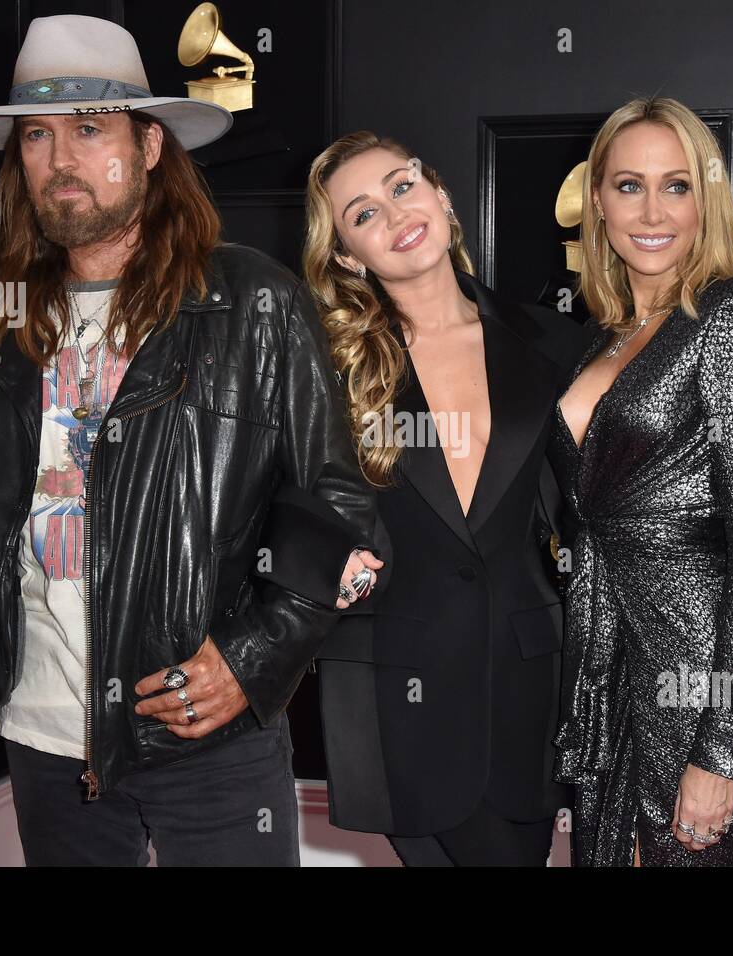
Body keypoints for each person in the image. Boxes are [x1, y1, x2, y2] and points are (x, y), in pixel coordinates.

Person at [0, 14, 378, 866]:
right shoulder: (6, 317)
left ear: (151, 145)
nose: (62, 160)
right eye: (39, 136)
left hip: (202, 733)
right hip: (40, 732)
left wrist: (249, 658)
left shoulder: (253, 302)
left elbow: (340, 511)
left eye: (91, 130)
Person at [302, 131, 593, 866]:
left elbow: (598, 504)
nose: (395, 214)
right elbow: (269, 509)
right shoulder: (323, 366)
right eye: (361, 213)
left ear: (440, 194)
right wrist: (322, 563)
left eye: (401, 186)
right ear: (344, 255)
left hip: (526, 691)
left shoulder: (555, 341)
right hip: (393, 698)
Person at [549, 96, 733, 866]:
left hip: (694, 677)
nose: (651, 210)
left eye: (677, 185)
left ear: (707, 199)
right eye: (629, 186)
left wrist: (723, 749)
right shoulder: (600, 335)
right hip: (602, 666)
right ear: (597, 200)